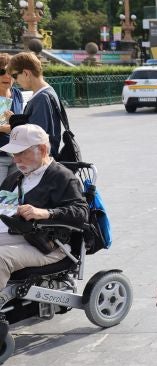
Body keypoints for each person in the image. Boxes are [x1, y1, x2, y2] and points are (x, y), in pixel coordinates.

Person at [0, 124, 88, 346]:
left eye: (22, 152)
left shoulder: (62, 178)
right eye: (14, 153)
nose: (16, 158)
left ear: (42, 149)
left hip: (49, 246)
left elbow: (81, 213)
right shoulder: (16, 177)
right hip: (16, 234)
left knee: (1, 258)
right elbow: (3, 206)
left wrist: (45, 213)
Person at [7, 52, 62, 158]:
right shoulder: (47, 91)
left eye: (15, 75)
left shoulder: (41, 97)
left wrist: (13, 121)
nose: (15, 81)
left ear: (26, 73)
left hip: (40, 162)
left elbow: (34, 137)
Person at [0, 54, 25, 179]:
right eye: (1, 72)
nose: (7, 76)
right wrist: (7, 128)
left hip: (17, 156)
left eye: (11, 72)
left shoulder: (17, 94)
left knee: (13, 196)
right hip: (0, 156)